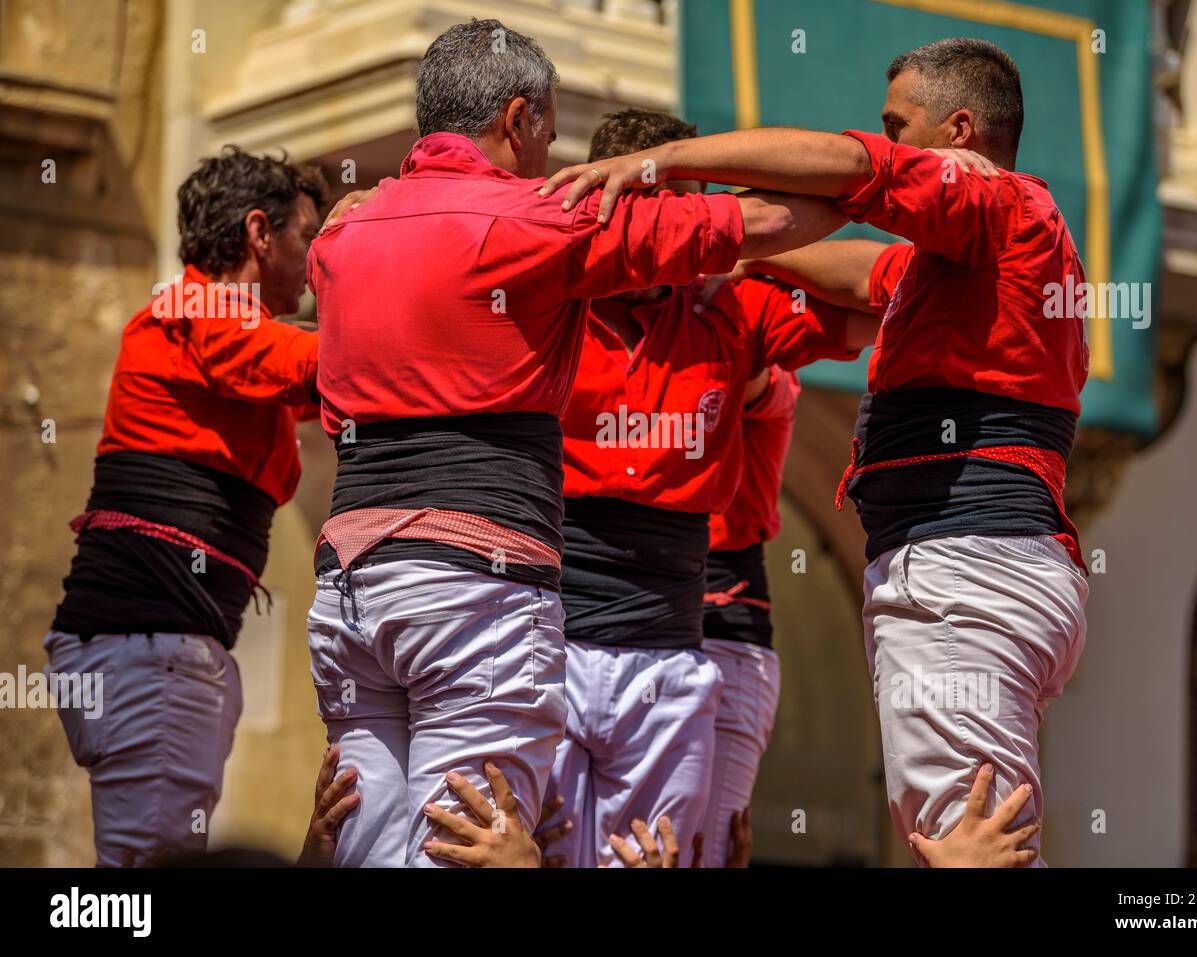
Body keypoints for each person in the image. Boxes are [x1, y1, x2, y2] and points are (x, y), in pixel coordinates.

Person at [306, 21, 849, 868]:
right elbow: (797, 209)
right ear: (518, 118)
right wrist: (885, 179)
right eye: (549, 133)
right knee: (473, 846)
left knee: (366, 845)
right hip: (470, 596)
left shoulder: (344, 234)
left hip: (349, 593)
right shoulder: (540, 221)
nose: (554, 155)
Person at [541, 37, 1089, 867]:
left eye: (898, 125)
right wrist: (704, 228)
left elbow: (845, 168)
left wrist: (664, 165)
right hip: (985, 570)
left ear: (960, 134)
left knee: (971, 850)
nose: (884, 138)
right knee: (966, 840)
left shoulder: (999, 206)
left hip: (968, 573)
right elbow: (850, 267)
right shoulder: (963, 262)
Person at [536, 109, 873, 868]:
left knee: (687, 859)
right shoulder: (547, 289)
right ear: (606, 199)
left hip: (682, 647)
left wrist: (750, 252)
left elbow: (877, 303)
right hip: (549, 642)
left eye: (695, 204)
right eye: (661, 201)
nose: (683, 223)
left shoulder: (733, 304)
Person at [44, 147, 326, 867]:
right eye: (309, 238)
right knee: (147, 882)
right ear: (260, 234)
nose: (318, 261)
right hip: (151, 652)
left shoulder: (229, 346)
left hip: (151, 654)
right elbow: (316, 366)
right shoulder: (195, 310)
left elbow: (328, 390)